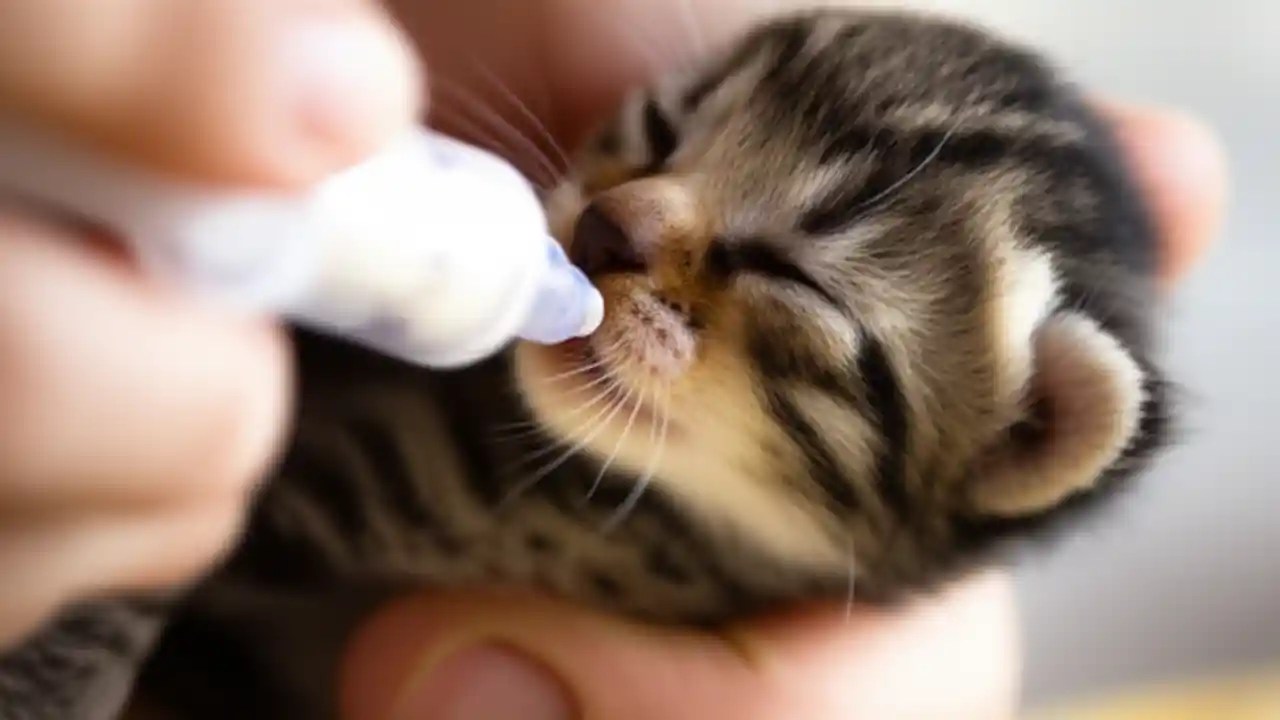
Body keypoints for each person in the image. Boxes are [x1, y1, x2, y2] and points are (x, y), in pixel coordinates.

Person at [0, 1, 1225, 718]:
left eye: (790, 279)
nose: (628, 216)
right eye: (662, 127)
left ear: (1013, 440)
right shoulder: (460, 407)